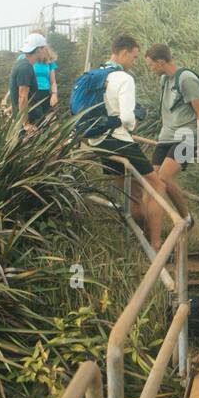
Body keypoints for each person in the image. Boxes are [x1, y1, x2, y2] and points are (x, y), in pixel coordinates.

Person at [85, 35, 160, 245]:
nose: (134, 62)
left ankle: (137, 240)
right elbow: (127, 118)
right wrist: (131, 125)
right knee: (157, 185)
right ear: (124, 52)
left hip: (97, 140)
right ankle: (155, 244)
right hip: (117, 138)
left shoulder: (97, 73)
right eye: (134, 57)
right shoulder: (124, 78)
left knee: (133, 193)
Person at [144, 43, 199, 242]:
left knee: (162, 178)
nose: (150, 69)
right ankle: (169, 225)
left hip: (186, 137)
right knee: (154, 180)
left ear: (161, 62)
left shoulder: (187, 79)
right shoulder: (164, 79)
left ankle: (186, 219)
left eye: (151, 65)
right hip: (166, 136)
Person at [6, 32, 52, 136]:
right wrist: (26, 124)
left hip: (31, 119)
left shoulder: (22, 65)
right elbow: (23, 97)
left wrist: (11, 108)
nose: (46, 51)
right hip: (32, 122)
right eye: (44, 48)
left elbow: (19, 94)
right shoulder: (25, 68)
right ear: (39, 49)